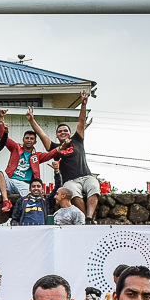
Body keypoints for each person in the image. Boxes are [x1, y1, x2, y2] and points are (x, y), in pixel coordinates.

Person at [29, 91, 98, 223]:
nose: (63, 132)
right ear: (57, 135)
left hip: (86, 175)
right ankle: (84, 220)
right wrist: (32, 120)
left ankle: (89, 217)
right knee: (73, 192)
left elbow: (82, 121)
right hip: (70, 180)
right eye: (60, 131)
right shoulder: (55, 148)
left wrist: (83, 104)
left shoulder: (77, 140)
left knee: (94, 186)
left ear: (70, 133)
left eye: (65, 130)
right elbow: (42, 134)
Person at [0, 110, 69, 214]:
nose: (29, 140)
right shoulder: (15, 148)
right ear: (23, 139)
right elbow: (3, 137)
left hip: (24, 184)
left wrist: (61, 147)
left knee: (29, 203)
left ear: (35, 142)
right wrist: (1, 118)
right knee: (0, 172)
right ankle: (6, 201)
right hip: (10, 181)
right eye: (27, 138)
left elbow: (50, 154)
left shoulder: (36, 156)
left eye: (31, 139)